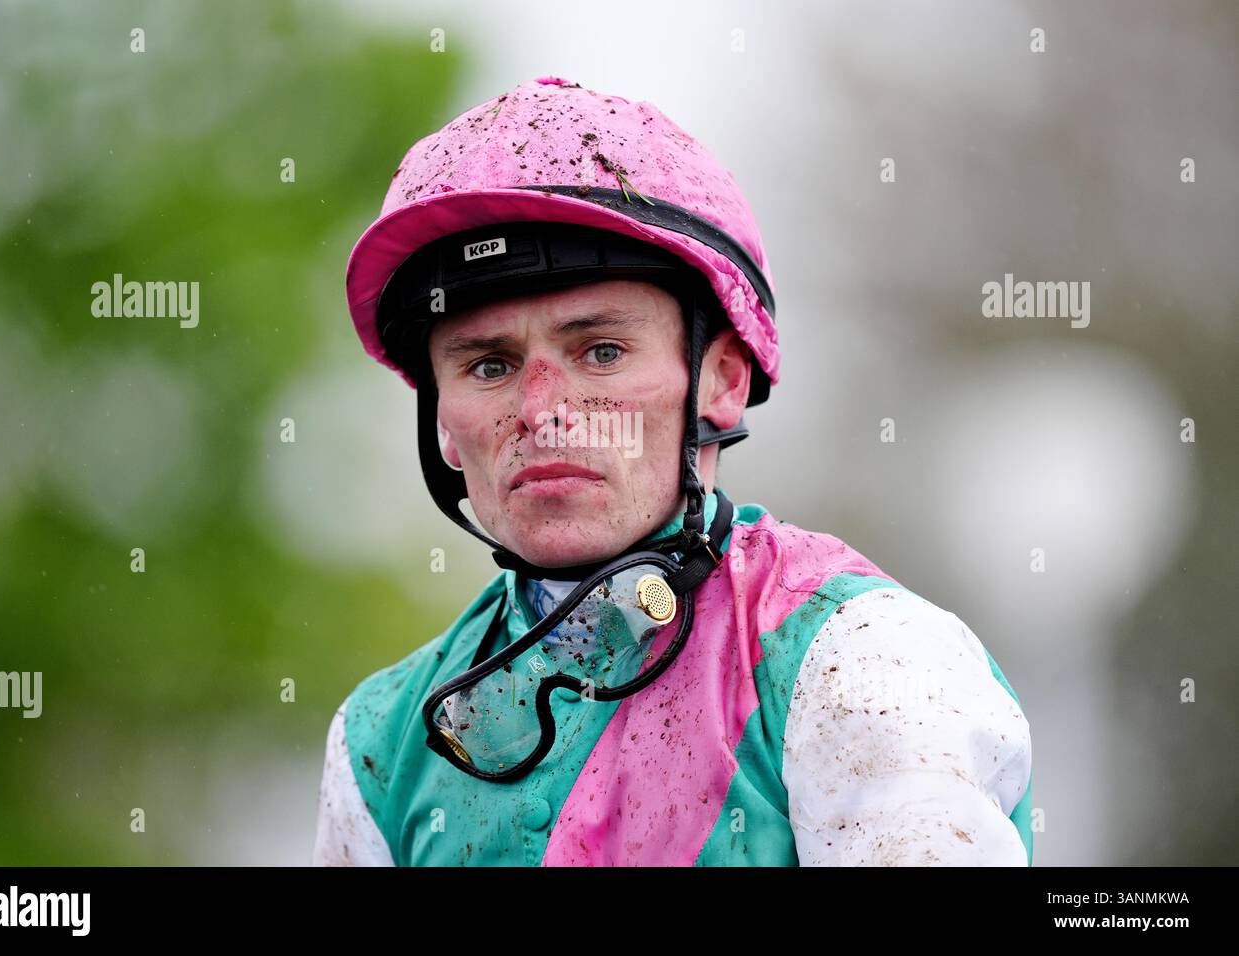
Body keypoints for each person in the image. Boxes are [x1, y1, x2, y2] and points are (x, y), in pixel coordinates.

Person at [312, 76, 1033, 866]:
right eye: (489, 366)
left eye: (602, 351)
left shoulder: (861, 658)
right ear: (442, 421)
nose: (542, 410)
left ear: (722, 380)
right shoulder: (377, 739)